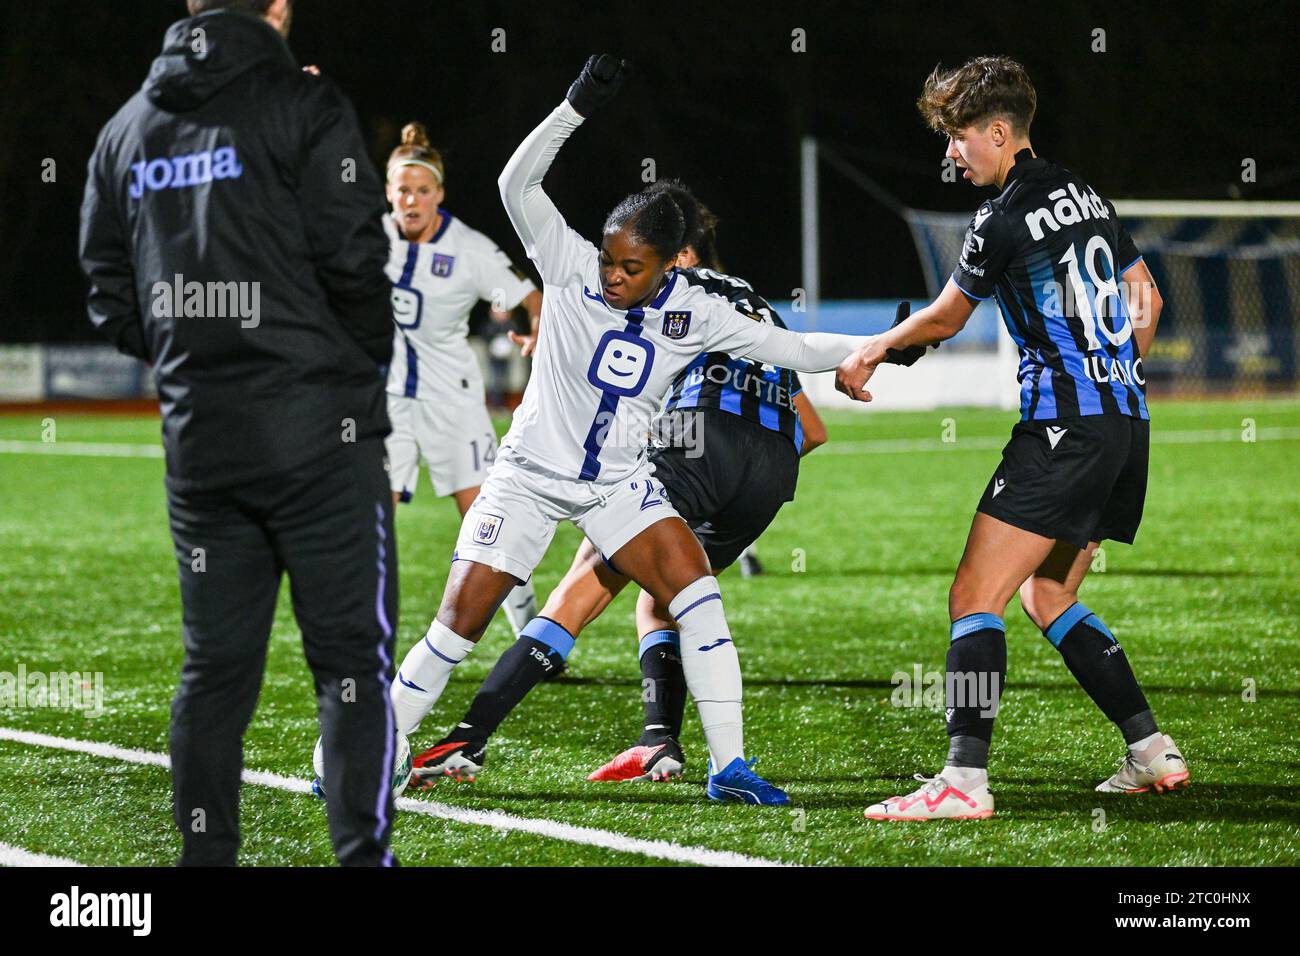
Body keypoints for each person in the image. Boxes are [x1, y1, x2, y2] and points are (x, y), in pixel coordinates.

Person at [387, 55, 876, 806]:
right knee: (459, 624)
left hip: (618, 485)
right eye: (611, 258)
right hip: (528, 476)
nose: (613, 275)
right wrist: (575, 107)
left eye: (631, 266)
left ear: (668, 267)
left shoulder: (699, 310)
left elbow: (794, 349)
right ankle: (373, 750)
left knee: (697, 594)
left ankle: (728, 766)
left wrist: (870, 351)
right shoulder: (568, 260)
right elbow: (516, 184)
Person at [78, 0, 400, 864]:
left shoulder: (124, 130)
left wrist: (194, 353)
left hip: (202, 446)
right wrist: (356, 361)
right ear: (281, 9)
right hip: (319, 436)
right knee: (350, 668)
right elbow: (356, 261)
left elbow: (108, 290)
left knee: (213, 674)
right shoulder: (305, 104)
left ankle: (206, 857)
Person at [835, 56, 1186, 821]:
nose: (951, 154)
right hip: (1125, 423)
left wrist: (867, 351)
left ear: (999, 132)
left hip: (1065, 431)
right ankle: (1151, 749)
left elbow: (945, 318)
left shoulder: (1002, 218)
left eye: (959, 137)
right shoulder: (1085, 194)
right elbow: (1147, 299)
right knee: (1049, 593)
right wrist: (1110, 375)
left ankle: (963, 781)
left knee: (974, 595)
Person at [383, 121, 543, 636]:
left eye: (422, 191)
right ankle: (368, 641)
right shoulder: (366, 235)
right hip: (383, 401)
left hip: (450, 397)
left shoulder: (469, 249)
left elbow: (531, 299)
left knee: (483, 521)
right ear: (388, 193)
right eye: (403, 190)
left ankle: (529, 630)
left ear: (439, 195)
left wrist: (537, 335)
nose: (412, 200)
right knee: (370, 523)